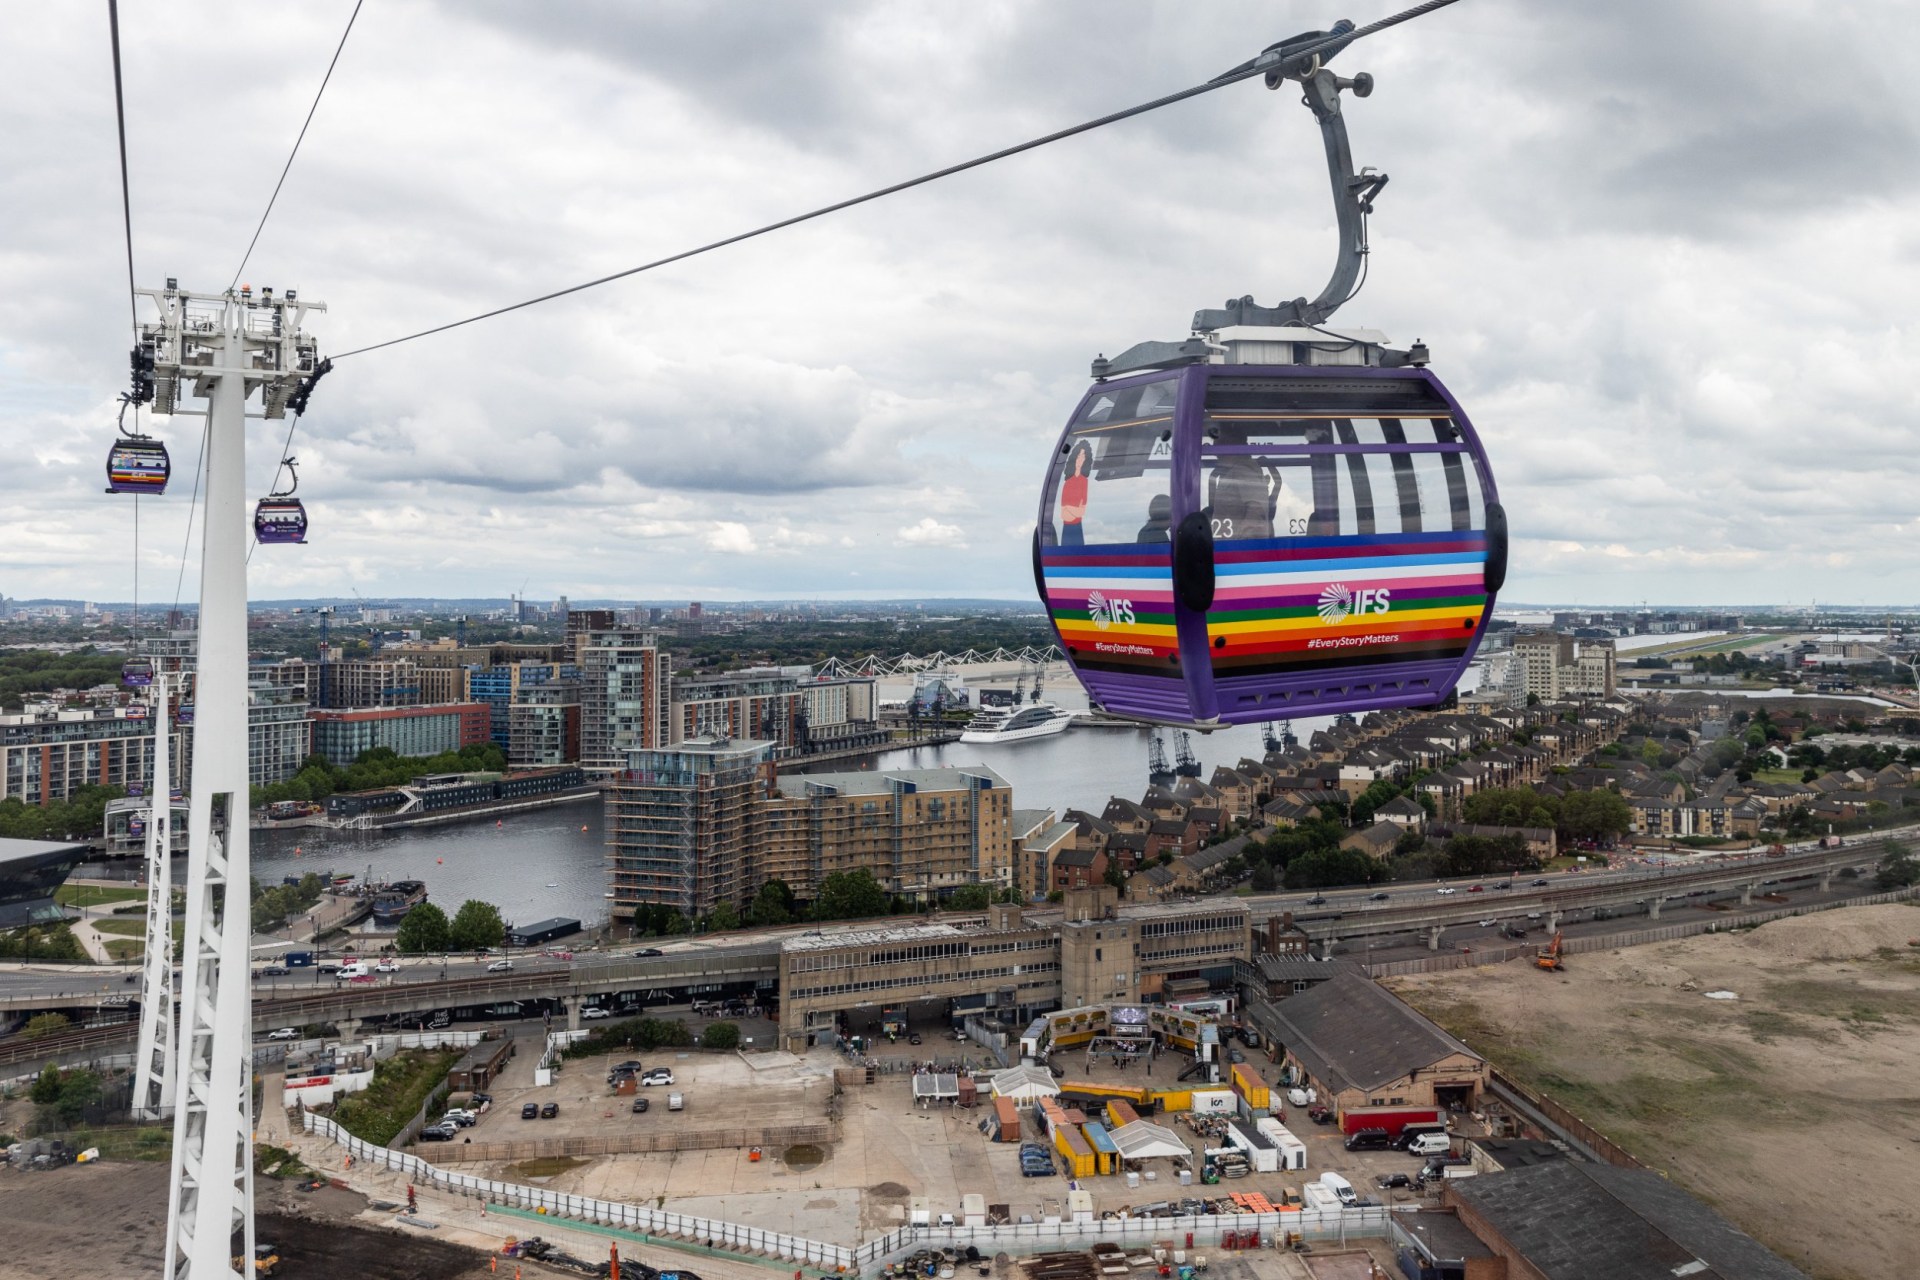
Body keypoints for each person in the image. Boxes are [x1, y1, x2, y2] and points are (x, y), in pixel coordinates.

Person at [1059, 443, 1092, 545]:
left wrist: (1068, 508)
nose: (1080, 460)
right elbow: (1063, 514)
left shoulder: (1084, 481)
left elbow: (1081, 512)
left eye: (1083, 457)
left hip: (1077, 528)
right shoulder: (1067, 483)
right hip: (1067, 529)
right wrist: (1073, 509)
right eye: (1078, 456)